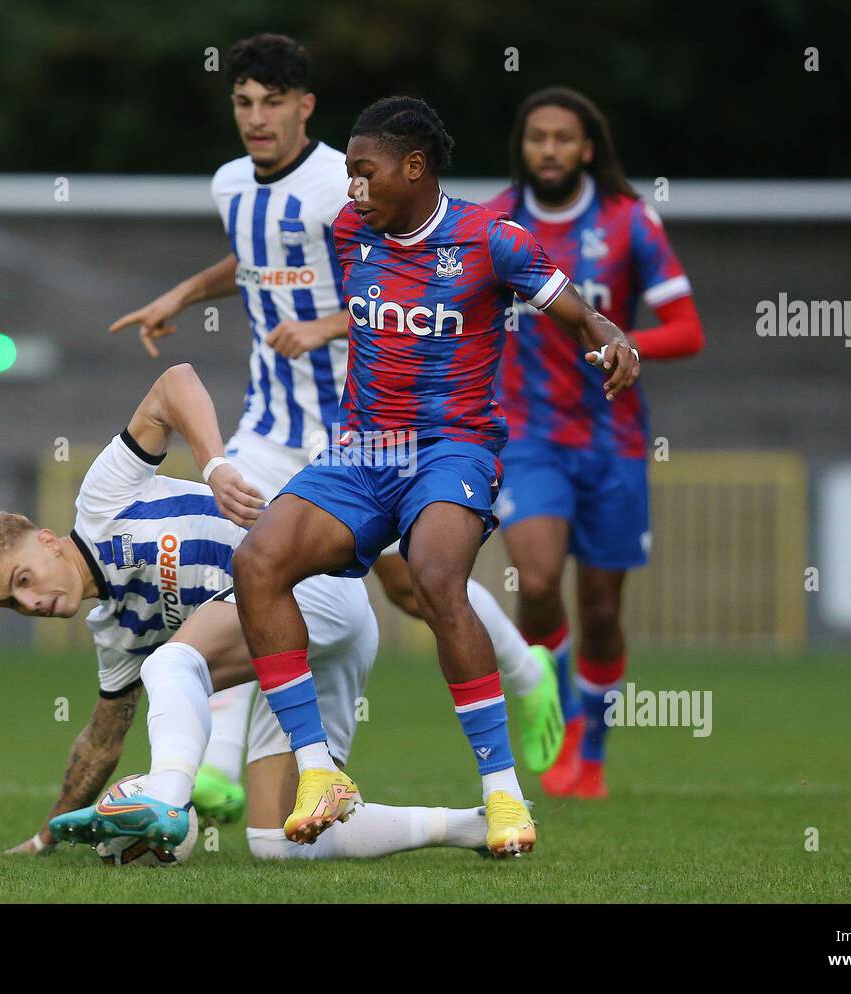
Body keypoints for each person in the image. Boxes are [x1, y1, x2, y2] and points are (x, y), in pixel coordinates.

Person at [108, 34, 563, 817]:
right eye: (243, 102)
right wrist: (181, 294)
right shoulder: (229, 184)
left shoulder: (342, 187)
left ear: (304, 107)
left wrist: (327, 325)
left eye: (272, 102)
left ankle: (526, 674)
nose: (256, 118)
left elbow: (415, 284)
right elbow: (252, 261)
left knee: (416, 578)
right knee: (244, 568)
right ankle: (217, 768)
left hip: (362, 421)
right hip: (269, 422)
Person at [229, 96, 641, 857]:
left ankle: (503, 796)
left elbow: (573, 310)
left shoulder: (489, 240)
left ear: (414, 167)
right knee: (257, 562)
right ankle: (319, 772)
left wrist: (611, 335)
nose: (352, 188)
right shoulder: (353, 232)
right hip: (360, 452)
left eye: (364, 171)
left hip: (452, 448)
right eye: (349, 172)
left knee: (435, 576)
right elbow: (271, 274)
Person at [0, 364, 492, 861]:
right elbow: (101, 740)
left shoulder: (100, 501)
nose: (30, 603)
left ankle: (166, 796)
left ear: (47, 541)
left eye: (22, 581)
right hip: (322, 642)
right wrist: (46, 836)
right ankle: (469, 825)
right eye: (12, 604)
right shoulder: (116, 633)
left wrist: (213, 466)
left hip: (312, 588)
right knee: (280, 842)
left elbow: (174, 383)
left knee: (167, 664)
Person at [488, 87, 705, 800]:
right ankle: (556, 712)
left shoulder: (627, 222)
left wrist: (616, 338)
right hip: (526, 436)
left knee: (604, 609)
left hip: (614, 439)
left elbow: (687, 328)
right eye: (536, 137)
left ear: (587, 148)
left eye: (562, 138)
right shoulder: (494, 221)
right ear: (523, 147)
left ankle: (594, 748)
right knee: (540, 580)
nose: (548, 150)